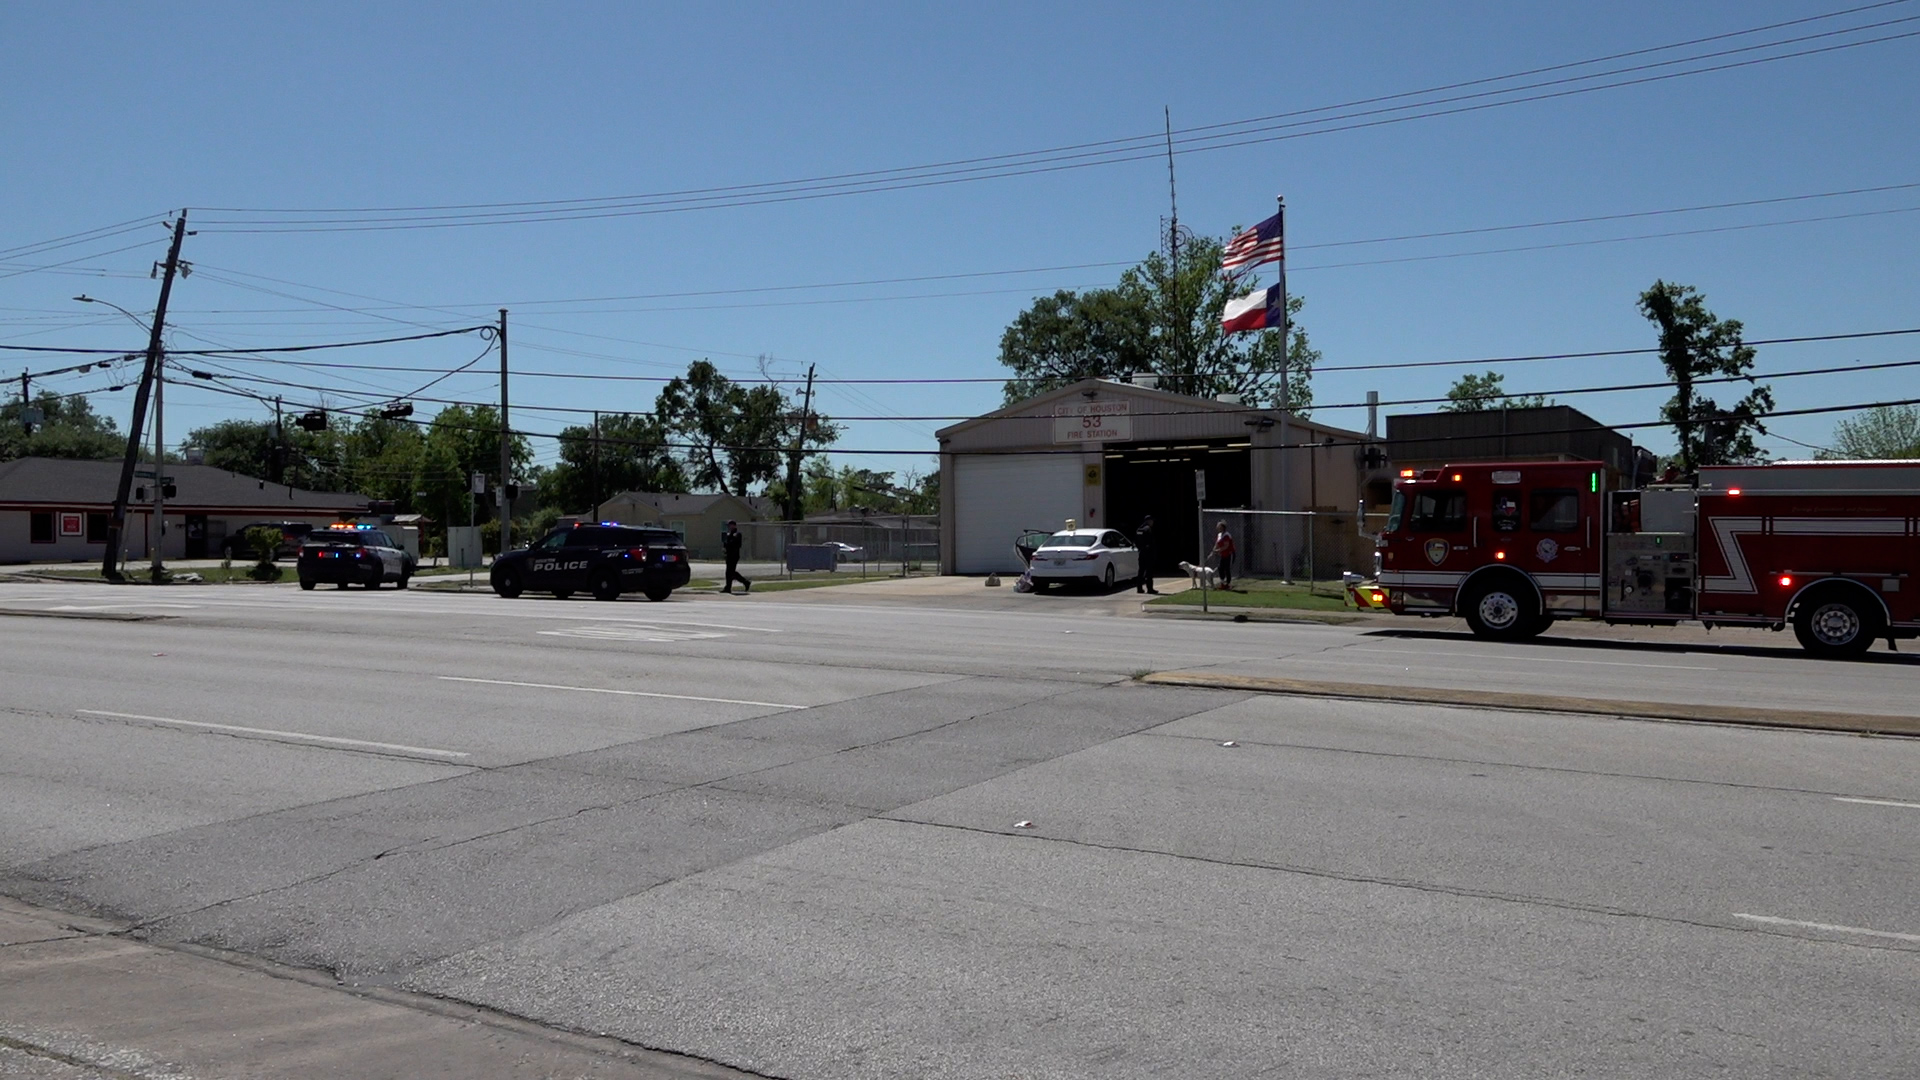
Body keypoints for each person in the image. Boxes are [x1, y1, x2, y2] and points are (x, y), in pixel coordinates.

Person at [721, 520, 750, 594]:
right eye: (728, 525)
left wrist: (729, 542)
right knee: (729, 572)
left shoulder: (737, 534)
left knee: (730, 572)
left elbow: (737, 544)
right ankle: (729, 587)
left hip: (734, 555)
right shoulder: (728, 534)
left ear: (734, 525)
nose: (729, 527)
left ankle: (744, 582)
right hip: (728, 555)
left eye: (730, 525)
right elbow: (725, 544)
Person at [1134, 514, 1159, 594]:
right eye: (1152, 521)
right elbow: (1151, 542)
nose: (1153, 523)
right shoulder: (1148, 529)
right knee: (1149, 572)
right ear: (1149, 521)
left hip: (1141, 552)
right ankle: (1150, 589)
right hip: (1148, 553)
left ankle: (1139, 588)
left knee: (1141, 571)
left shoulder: (1139, 529)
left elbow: (1136, 542)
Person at [1212, 521, 1236, 589]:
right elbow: (1217, 544)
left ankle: (1228, 584)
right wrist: (1214, 550)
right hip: (1223, 554)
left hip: (1229, 553)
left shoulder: (1226, 535)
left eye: (1218, 526)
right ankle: (1223, 583)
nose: (1217, 527)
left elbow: (1226, 546)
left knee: (1227, 568)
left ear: (1222, 527)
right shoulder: (1219, 535)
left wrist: (1217, 550)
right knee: (1220, 568)